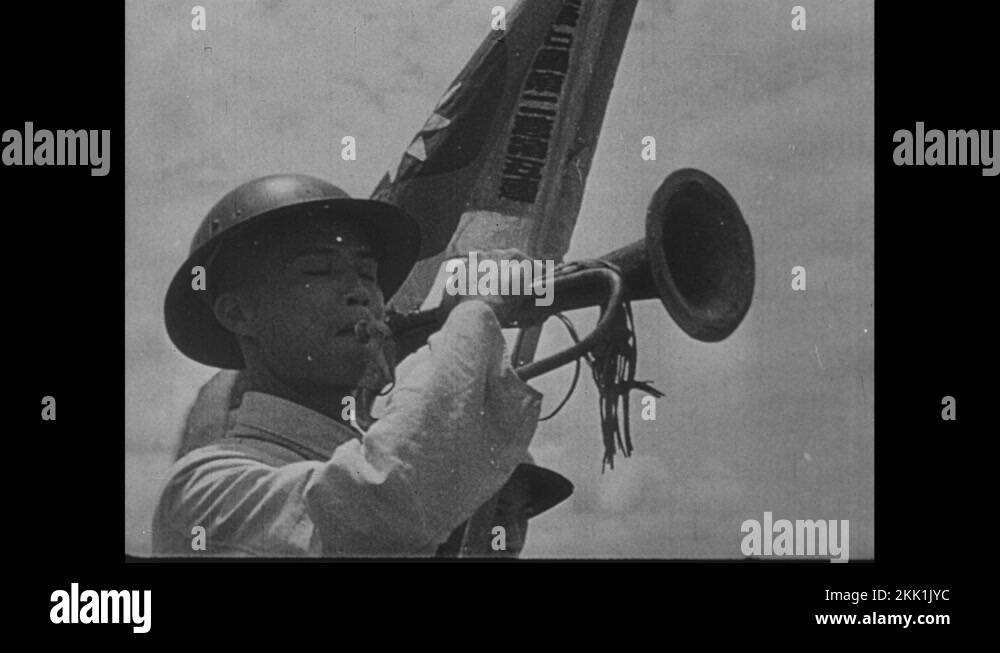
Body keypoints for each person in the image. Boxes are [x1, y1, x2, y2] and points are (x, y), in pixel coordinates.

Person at [153, 173, 572, 557]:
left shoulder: (381, 459)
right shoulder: (203, 490)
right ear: (238, 314)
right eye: (317, 270)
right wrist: (474, 315)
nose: (361, 293)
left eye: (367, 272)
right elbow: (383, 496)